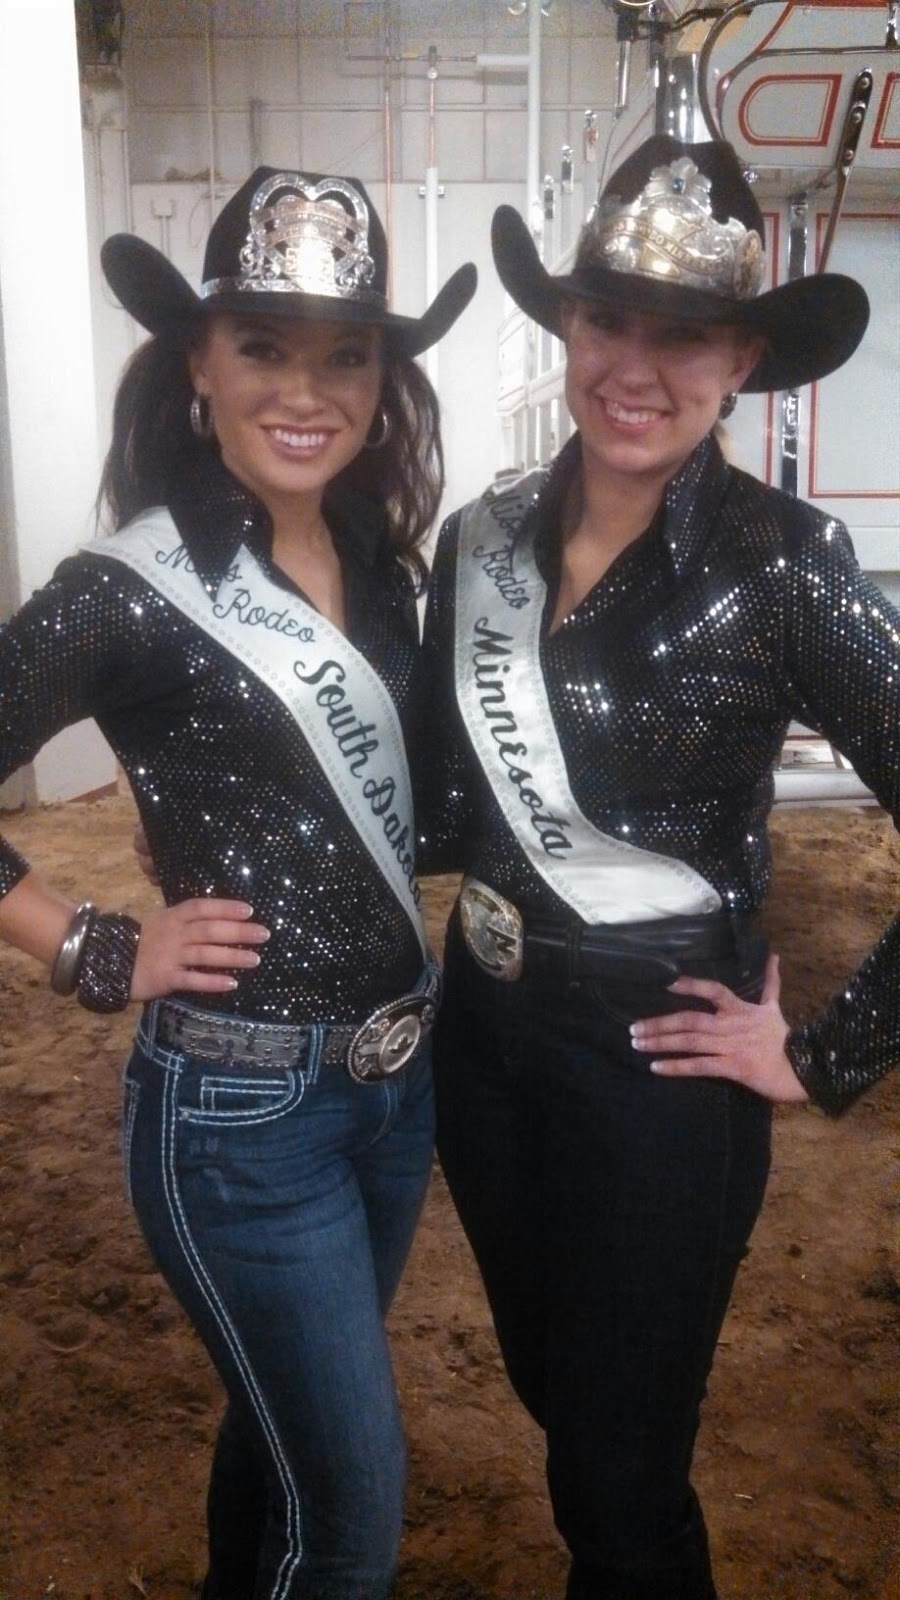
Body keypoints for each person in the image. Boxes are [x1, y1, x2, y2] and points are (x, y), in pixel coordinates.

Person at [420, 136, 899, 1600]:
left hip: (664, 1068)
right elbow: (447, 810)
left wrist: (824, 1054)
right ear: (565, 327)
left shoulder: (786, 563)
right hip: (482, 1043)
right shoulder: (480, 538)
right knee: (568, 1406)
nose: (635, 364)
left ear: (743, 357)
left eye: (682, 331)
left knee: (620, 1484)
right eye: (606, 318)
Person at [0, 169, 474, 1599]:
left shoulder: (387, 570)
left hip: (394, 1093)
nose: (306, 388)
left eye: (346, 352)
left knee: (279, 1456)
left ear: (384, 380)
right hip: (237, 1110)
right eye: (262, 346)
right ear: (196, 361)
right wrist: (88, 943)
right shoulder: (126, 587)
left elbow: (420, 818)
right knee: (352, 1516)